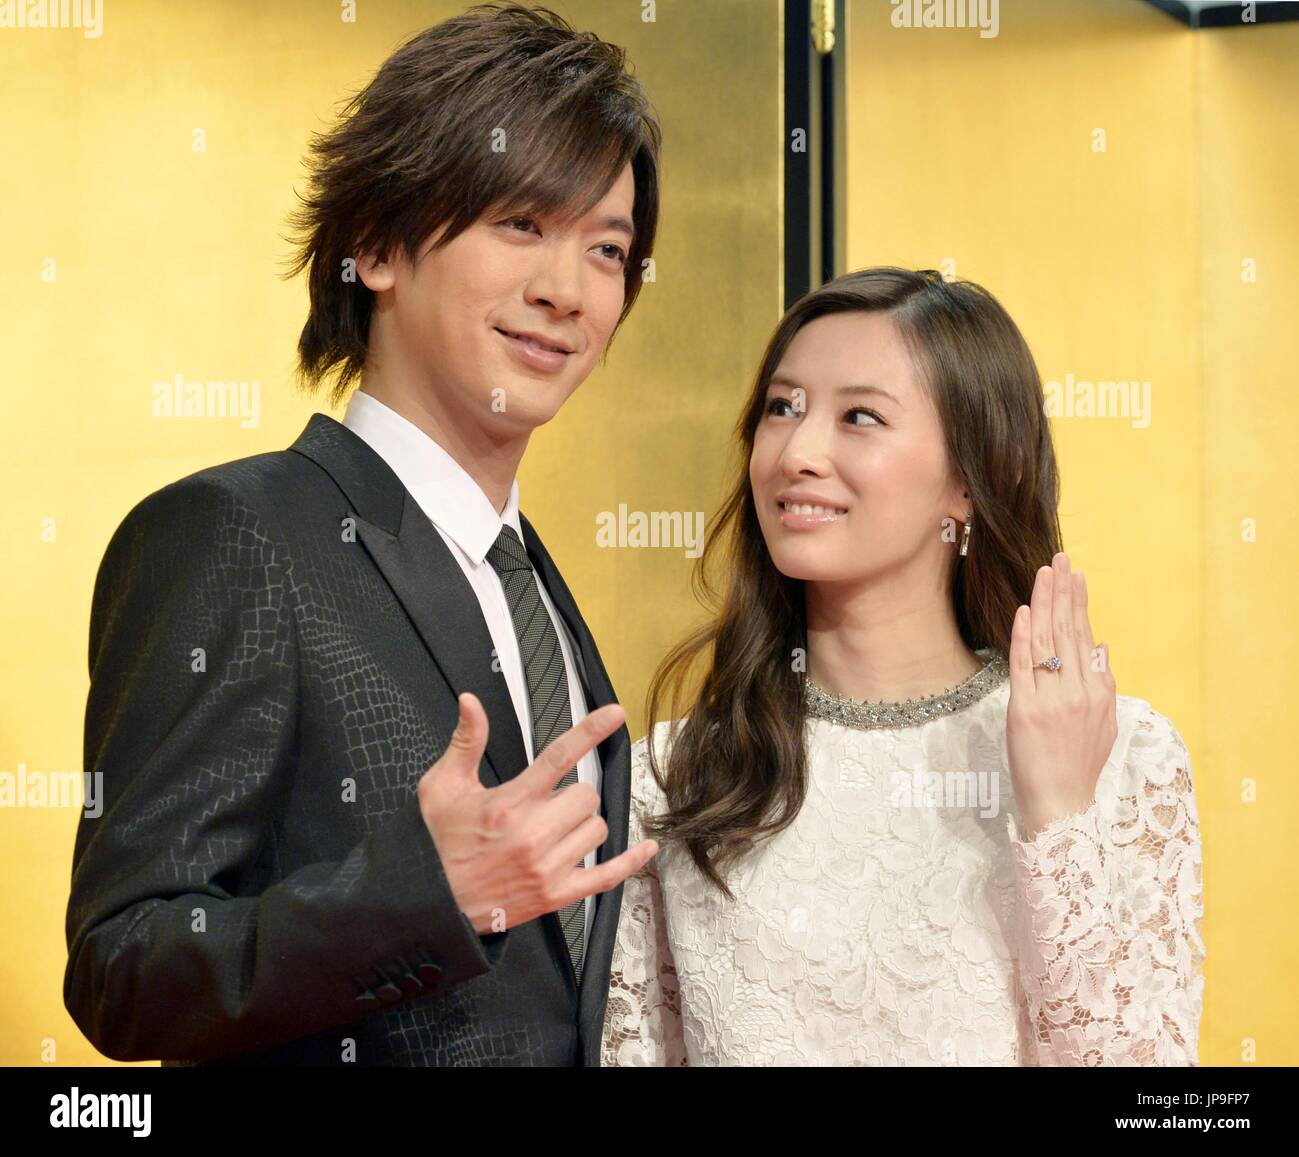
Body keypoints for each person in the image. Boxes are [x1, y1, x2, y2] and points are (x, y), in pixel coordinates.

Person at [64, 2, 663, 1067]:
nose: (565, 290)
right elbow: (125, 964)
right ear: (376, 244)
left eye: (607, 249)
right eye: (522, 224)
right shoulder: (232, 533)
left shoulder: (535, 588)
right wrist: (425, 894)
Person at [601, 267, 1206, 1066]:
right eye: (783, 408)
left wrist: (1059, 814)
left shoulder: (1128, 756)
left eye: (860, 416)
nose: (798, 453)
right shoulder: (675, 776)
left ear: (969, 479)